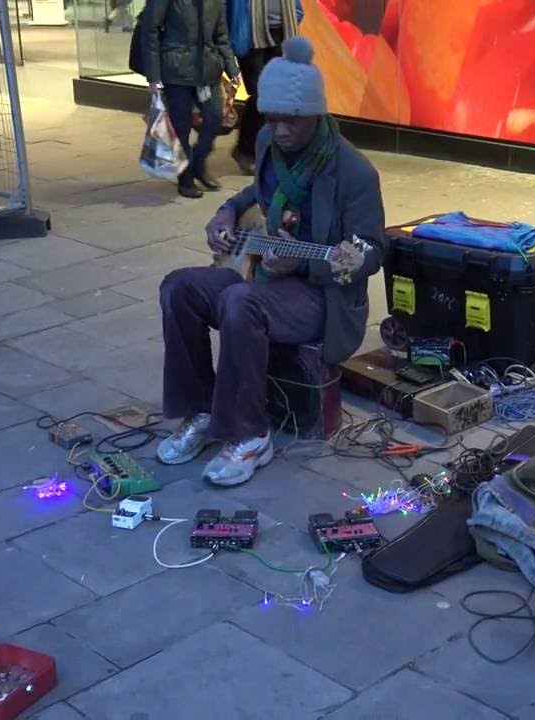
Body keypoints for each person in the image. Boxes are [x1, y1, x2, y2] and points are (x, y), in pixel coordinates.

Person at [156, 36, 384, 486]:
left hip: (322, 297)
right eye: (273, 118)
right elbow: (253, 195)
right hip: (263, 278)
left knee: (242, 302)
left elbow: (371, 252)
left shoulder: (354, 173)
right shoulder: (266, 144)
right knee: (179, 288)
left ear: (315, 115)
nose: (280, 130)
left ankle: (250, 435)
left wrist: (303, 264)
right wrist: (225, 213)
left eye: (291, 121)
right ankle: (202, 411)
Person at [143, 0, 240, 198]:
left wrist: (232, 67)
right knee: (181, 126)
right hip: (175, 68)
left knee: (214, 117)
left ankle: (198, 161)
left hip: (207, 68)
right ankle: (185, 176)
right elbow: (150, 31)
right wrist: (154, 76)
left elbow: (221, 35)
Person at [231, 0, 303, 174]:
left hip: (281, 35)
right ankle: (244, 150)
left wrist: (293, 19)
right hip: (252, 36)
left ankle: (260, 150)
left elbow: (298, 8)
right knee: (259, 95)